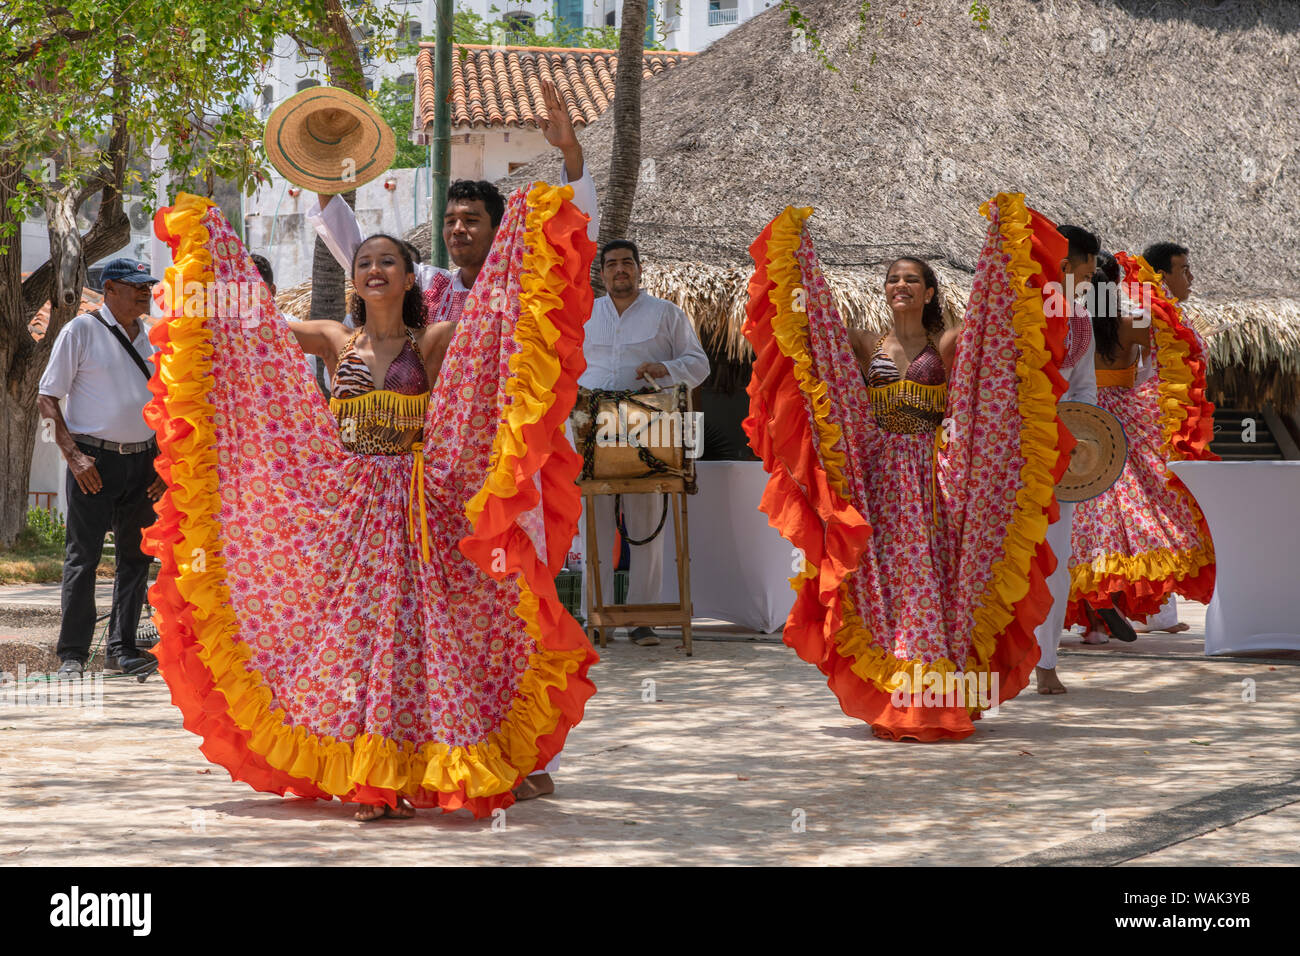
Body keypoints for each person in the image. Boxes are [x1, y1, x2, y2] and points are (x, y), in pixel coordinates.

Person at [144, 183, 597, 821]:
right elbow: (247, 325)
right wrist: (209, 247)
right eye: (364, 264)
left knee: (420, 635)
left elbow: (506, 315)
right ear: (353, 280)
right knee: (356, 634)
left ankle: (427, 766)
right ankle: (371, 778)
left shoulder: (436, 338)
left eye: (387, 262)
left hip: (419, 504)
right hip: (348, 503)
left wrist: (534, 222)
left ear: (411, 277)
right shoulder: (334, 338)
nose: (374, 270)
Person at [743, 195, 1073, 740]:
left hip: (933, 478)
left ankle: (935, 691)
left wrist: (1004, 250)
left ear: (929, 291)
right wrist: (793, 257)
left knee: (934, 578)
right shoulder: (863, 341)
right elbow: (811, 335)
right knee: (886, 582)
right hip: (877, 481)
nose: (901, 286)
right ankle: (897, 691)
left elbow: (997, 336)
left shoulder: (947, 342)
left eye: (912, 279)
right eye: (893, 278)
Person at [309, 78, 598, 327]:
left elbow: (579, 235)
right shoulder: (432, 286)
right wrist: (324, 171)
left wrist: (570, 151)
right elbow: (358, 251)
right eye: (450, 222)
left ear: (499, 231)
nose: (457, 229)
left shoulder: (527, 286)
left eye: (471, 220)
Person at [1066, 249, 1215, 639]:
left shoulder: (1069, 322)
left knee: (1083, 511)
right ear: (1115, 285)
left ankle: (1094, 618)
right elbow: (1180, 347)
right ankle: (1114, 603)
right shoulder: (1134, 320)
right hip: (1124, 421)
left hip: (1081, 417)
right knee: (1129, 514)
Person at [38, 258, 166, 678]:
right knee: (84, 558)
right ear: (110, 289)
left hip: (143, 461)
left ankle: (121, 649)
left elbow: (166, 406)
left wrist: (162, 467)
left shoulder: (151, 339)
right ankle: (72, 655)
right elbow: (47, 397)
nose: (145, 292)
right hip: (93, 459)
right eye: (136, 286)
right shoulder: (82, 330)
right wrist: (73, 456)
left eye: (148, 286)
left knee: (135, 557)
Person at [580, 239, 710, 647]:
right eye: (612, 264)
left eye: (627, 263)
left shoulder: (666, 313)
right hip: (591, 425)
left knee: (646, 520)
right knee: (594, 524)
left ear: (639, 270)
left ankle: (643, 620)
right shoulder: (583, 314)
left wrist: (665, 368)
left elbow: (698, 363)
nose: (620, 270)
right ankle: (595, 617)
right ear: (602, 274)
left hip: (648, 422)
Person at [1032, 224, 1100, 695]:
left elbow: (1085, 390)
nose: (1093, 281)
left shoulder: (1081, 320)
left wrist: (1078, 438)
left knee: (1055, 560)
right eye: (1089, 271)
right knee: (991, 555)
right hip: (1002, 454)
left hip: (1059, 457)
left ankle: (1045, 662)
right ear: (1066, 265)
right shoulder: (1011, 309)